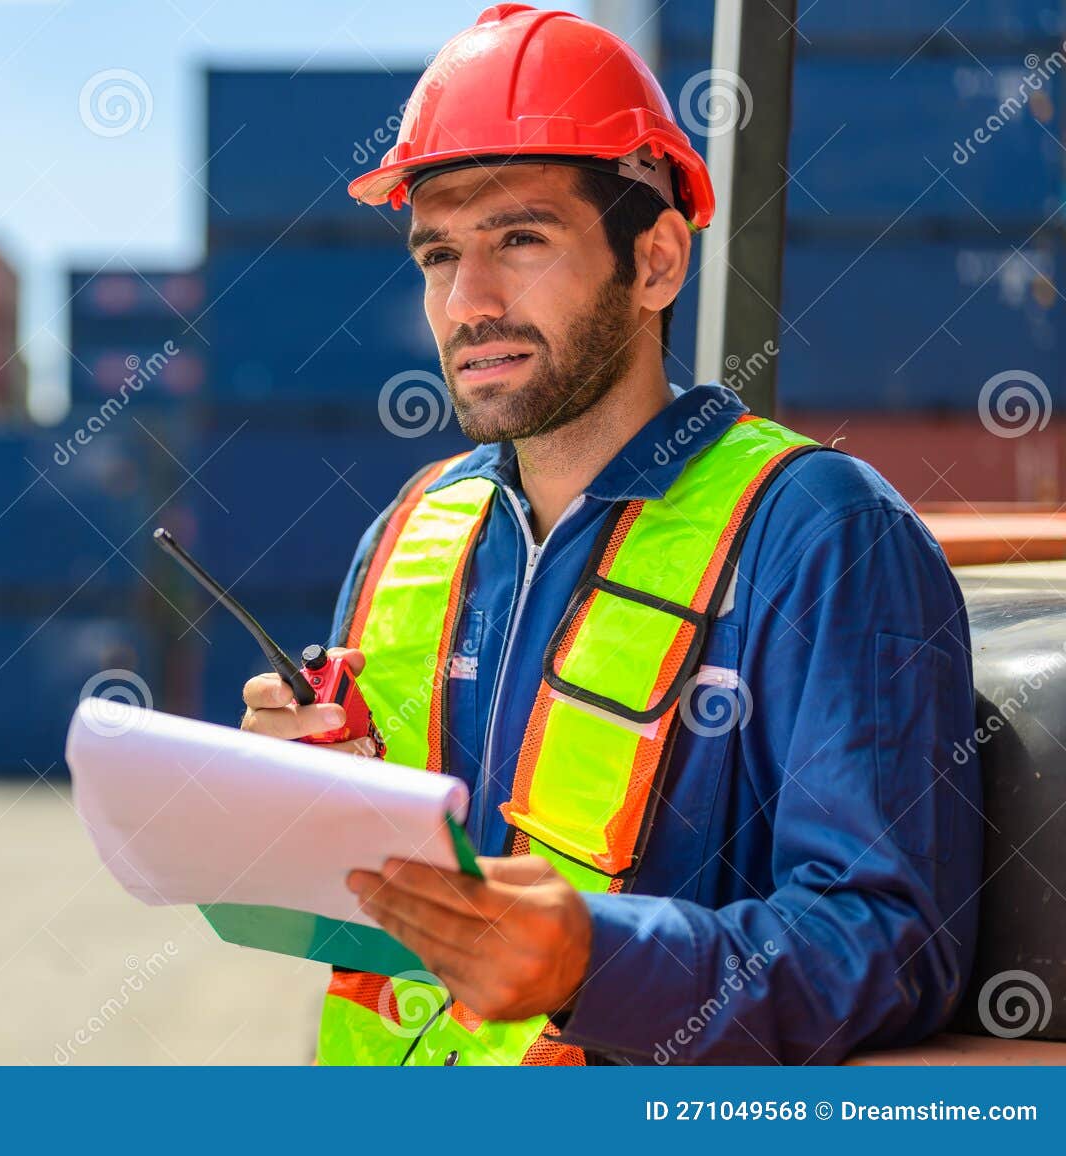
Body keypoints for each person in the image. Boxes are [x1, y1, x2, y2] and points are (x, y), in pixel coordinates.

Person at [239, 4, 980, 1065]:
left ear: (657, 262)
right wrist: (296, 790)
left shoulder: (819, 535)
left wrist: (597, 961)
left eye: (521, 241)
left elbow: (890, 947)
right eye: (438, 254)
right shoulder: (408, 531)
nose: (468, 301)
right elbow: (354, 912)